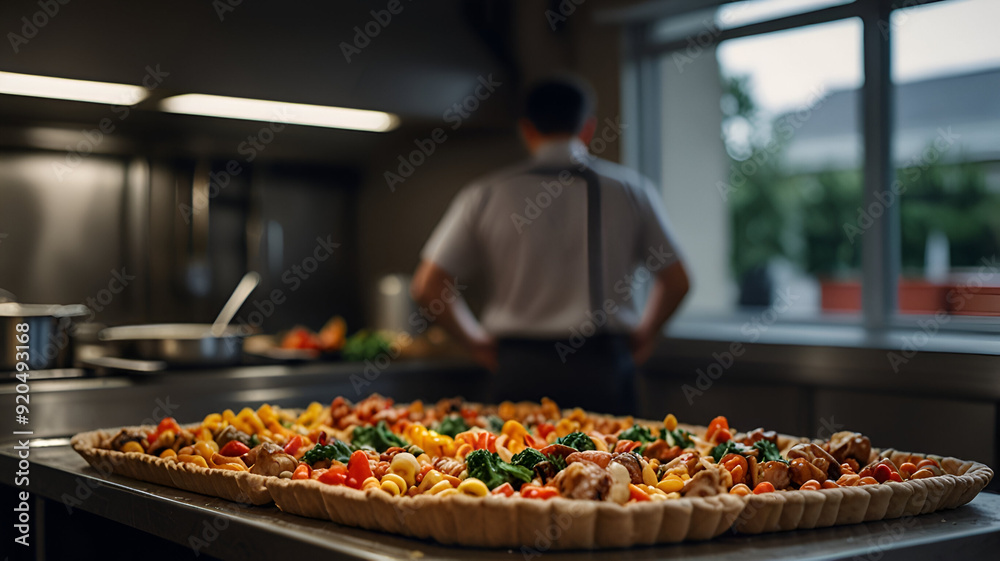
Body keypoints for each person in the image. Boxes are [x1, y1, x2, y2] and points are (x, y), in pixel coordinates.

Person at [411, 76, 690, 415]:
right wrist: (645, 334)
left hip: (520, 368)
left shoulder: (485, 194)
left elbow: (428, 286)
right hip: (602, 367)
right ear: (588, 128)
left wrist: (474, 341)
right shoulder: (631, 190)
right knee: (612, 451)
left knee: (515, 450)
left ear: (527, 129)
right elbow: (677, 280)